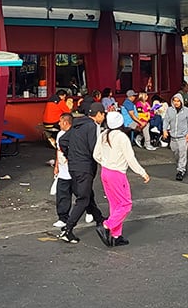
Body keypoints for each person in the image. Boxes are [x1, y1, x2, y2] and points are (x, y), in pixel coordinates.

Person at [93, 110, 150, 247]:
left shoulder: (103, 134)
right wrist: (142, 172)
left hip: (105, 171)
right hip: (117, 174)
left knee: (115, 204)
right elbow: (130, 158)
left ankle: (116, 235)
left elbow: (96, 155)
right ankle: (106, 226)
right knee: (125, 204)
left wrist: (105, 162)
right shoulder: (122, 137)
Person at [58, 101, 107, 244]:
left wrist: (69, 155)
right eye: (103, 115)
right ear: (98, 114)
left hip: (73, 166)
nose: (103, 118)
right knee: (83, 198)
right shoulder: (93, 126)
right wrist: (103, 161)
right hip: (85, 166)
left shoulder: (77, 124)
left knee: (87, 194)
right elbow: (94, 148)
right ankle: (68, 229)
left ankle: (99, 218)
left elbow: (63, 140)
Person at [162, 93, 188, 181]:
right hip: (173, 137)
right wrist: (164, 130)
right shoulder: (170, 110)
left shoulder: (186, 111)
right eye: (174, 101)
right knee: (176, 153)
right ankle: (180, 165)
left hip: (183, 137)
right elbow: (166, 120)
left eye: (178, 101)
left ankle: (181, 171)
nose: (176, 103)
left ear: (181, 102)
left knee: (182, 153)